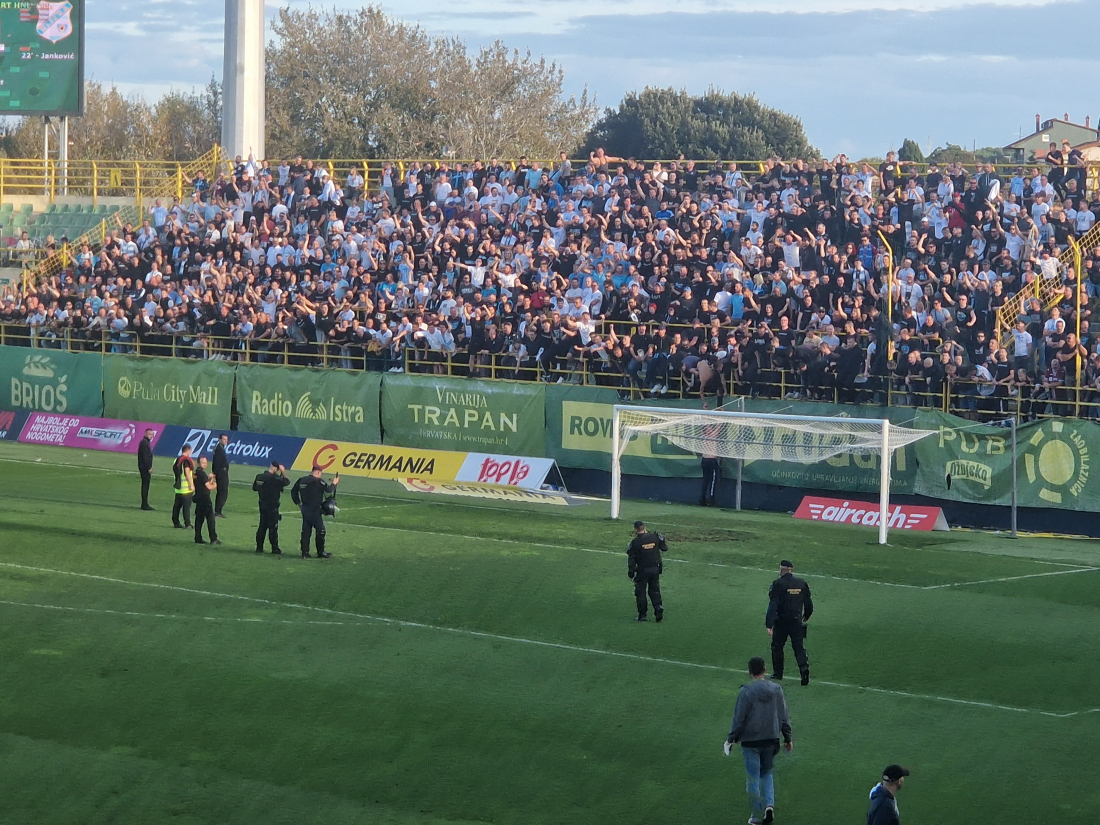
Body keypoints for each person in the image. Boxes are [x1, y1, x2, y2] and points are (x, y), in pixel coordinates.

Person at [724, 655, 793, 825]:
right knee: (767, 774)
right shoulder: (776, 690)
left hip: (751, 741)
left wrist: (731, 739)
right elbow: (784, 715)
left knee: (753, 778)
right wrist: (788, 737)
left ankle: (756, 816)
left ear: (750, 672)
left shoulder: (746, 692)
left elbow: (739, 719)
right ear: (765, 669)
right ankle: (769, 806)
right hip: (771, 739)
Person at [766, 559, 813, 685]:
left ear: (782, 570)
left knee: (777, 646)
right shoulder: (801, 583)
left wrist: (769, 624)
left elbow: (773, 605)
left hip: (781, 622)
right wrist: (806, 615)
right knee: (798, 647)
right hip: (796, 621)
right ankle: (804, 670)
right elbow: (808, 602)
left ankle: (778, 673)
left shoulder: (778, 584)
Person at [291, 465, 339, 558]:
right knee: (321, 530)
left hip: (305, 509)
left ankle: (304, 553)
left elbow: (293, 491)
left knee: (306, 531)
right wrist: (334, 483)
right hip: (315, 510)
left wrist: (298, 503)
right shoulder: (318, 481)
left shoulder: (302, 480)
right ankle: (321, 552)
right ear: (318, 472)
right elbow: (329, 490)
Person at [626, 519, 668, 621]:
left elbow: (631, 559)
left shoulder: (635, 542)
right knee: (654, 590)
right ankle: (658, 607)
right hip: (655, 568)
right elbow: (664, 548)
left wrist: (631, 573)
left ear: (635, 530)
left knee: (640, 592)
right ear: (644, 528)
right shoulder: (655, 537)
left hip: (642, 570)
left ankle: (642, 615)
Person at [253, 460, 290, 555]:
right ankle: (274, 548)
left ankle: (259, 547)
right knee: (273, 527)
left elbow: (254, 488)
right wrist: (283, 472)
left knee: (262, 526)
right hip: (272, 505)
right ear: (275, 469)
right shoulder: (274, 479)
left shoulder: (259, 477)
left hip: (262, 504)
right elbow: (286, 481)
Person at [192, 456, 221, 545]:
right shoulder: (202, 474)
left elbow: (204, 484)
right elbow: (208, 487)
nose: (204, 464)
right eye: (203, 462)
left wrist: (210, 479)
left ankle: (197, 537)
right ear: (198, 463)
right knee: (210, 519)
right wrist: (215, 485)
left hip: (198, 497)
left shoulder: (196, 473)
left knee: (199, 519)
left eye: (205, 462)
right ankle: (213, 538)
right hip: (205, 499)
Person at [171, 444, 195, 529]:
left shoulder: (176, 460)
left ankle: (176, 522)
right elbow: (187, 473)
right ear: (188, 450)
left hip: (178, 488)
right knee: (186, 507)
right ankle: (188, 524)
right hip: (186, 489)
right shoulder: (186, 461)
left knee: (177, 506)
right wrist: (192, 485)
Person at [212, 433, 230, 517]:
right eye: (224, 439)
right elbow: (217, 463)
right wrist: (219, 473)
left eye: (226, 440)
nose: (225, 441)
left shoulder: (220, 448)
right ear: (219, 440)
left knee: (222, 492)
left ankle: (218, 510)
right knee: (222, 492)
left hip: (222, 473)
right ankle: (218, 510)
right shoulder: (219, 449)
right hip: (221, 474)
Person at [137, 428, 155, 511]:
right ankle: (144, 504)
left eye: (152, 434)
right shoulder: (144, 443)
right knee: (145, 485)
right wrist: (149, 467)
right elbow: (145, 457)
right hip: (144, 467)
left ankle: (145, 503)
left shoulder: (146, 443)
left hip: (144, 467)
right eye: (149, 434)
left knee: (146, 485)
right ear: (145, 434)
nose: (151, 436)